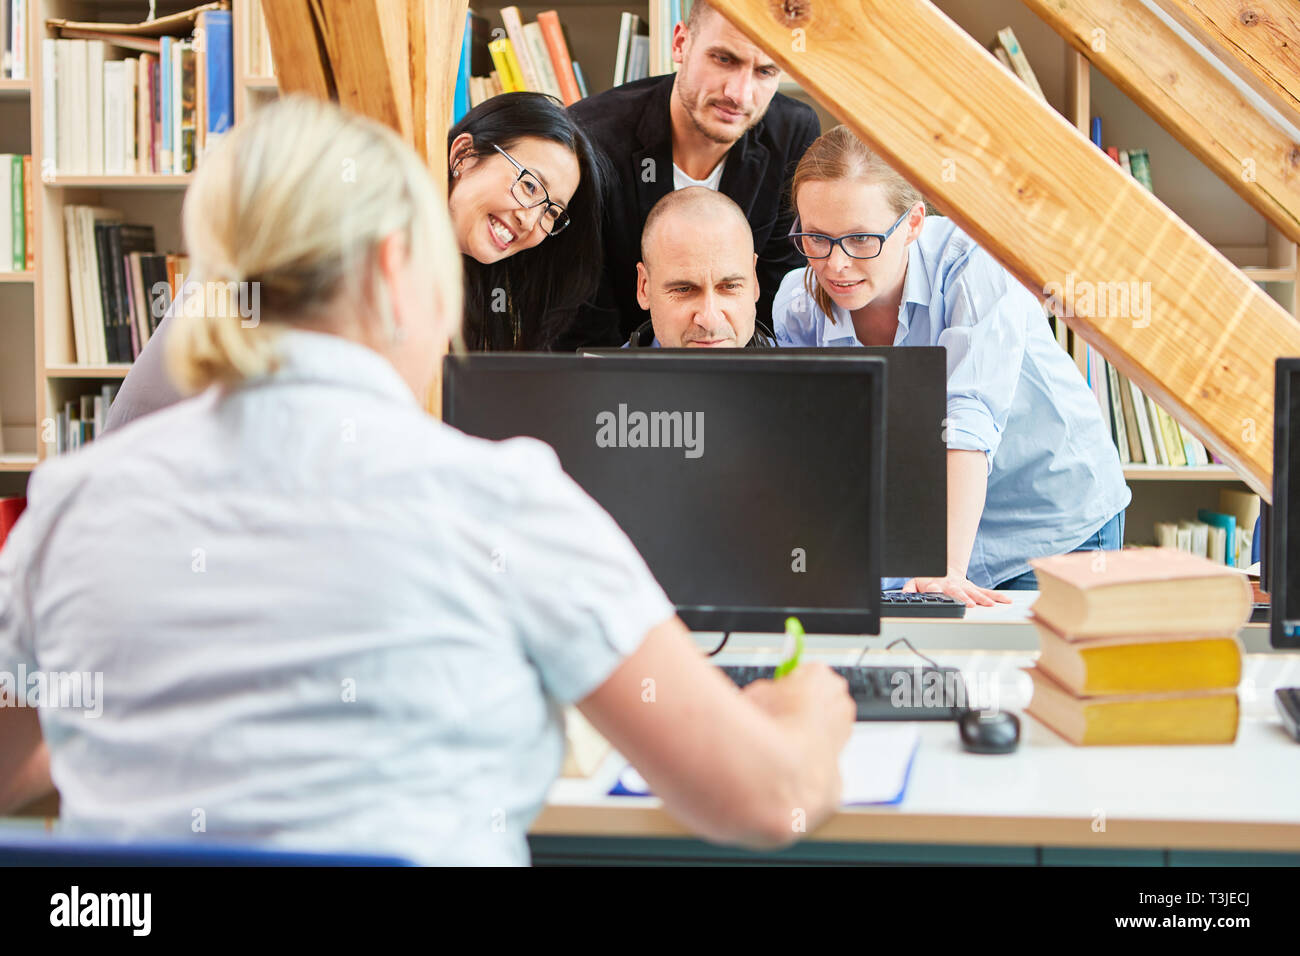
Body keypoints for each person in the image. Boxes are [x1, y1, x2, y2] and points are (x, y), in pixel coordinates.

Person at [0, 96, 854, 864]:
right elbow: (768, 800)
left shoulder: (69, 510)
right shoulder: (501, 502)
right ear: (392, 270)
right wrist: (809, 709)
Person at [772, 126, 1131, 605]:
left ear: (914, 222)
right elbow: (824, 447)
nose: (836, 264)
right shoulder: (798, 304)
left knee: (1036, 674)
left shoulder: (975, 263)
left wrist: (943, 566)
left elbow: (966, 419)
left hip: (1050, 523)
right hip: (926, 529)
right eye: (816, 237)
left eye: (860, 239)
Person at [104, 91, 607, 430]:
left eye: (553, 212)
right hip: (174, 463)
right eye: (529, 185)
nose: (531, 217)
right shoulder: (353, 220)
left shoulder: (454, 275)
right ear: (463, 155)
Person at [557, 0, 819, 349]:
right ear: (680, 44)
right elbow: (582, 302)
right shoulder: (590, 135)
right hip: (618, 369)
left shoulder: (793, 131)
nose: (739, 94)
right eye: (724, 59)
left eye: (766, 72)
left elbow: (776, 285)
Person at [626, 187, 774, 348]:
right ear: (644, 288)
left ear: (754, 282)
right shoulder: (598, 373)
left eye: (730, 286)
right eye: (683, 289)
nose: (710, 321)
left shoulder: (803, 371)